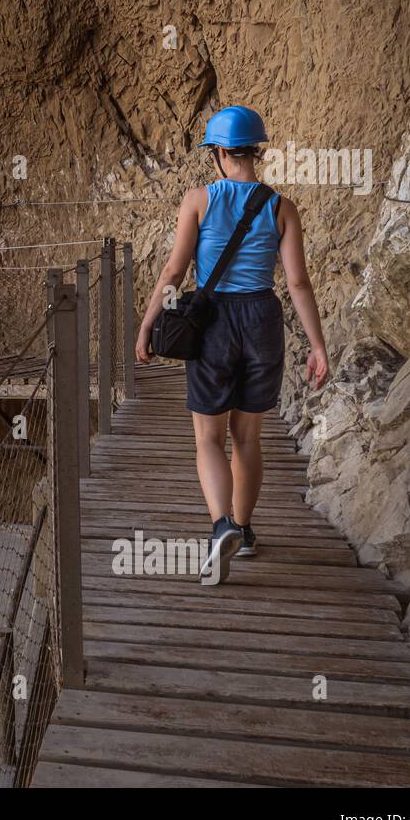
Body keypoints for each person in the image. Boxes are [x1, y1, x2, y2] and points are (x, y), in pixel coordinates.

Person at [134, 105, 329, 583]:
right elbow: (299, 283)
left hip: (214, 320)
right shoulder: (282, 207)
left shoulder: (198, 200)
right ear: (254, 151)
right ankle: (243, 529)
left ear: (219, 153)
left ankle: (221, 524)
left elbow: (174, 273)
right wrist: (318, 345)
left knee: (208, 438)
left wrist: (147, 325)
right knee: (248, 438)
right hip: (262, 319)